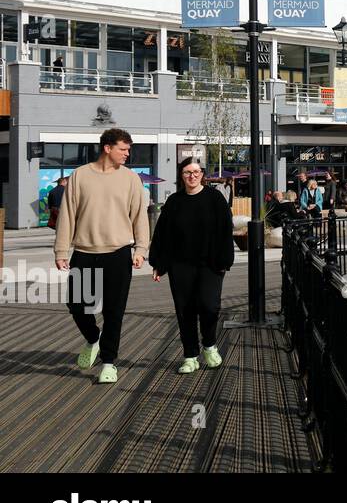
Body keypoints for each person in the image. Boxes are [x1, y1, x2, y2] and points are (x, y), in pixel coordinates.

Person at [54, 128, 150, 385]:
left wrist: (141, 249)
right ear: (107, 148)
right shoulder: (80, 176)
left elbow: (140, 216)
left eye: (129, 150)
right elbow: (68, 214)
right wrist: (61, 250)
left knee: (113, 312)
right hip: (84, 253)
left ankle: (108, 362)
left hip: (119, 254)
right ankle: (93, 339)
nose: (127, 154)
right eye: (123, 149)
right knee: (77, 306)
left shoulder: (131, 179)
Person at [149, 158, 234, 374]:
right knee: (185, 310)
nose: (192, 176)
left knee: (209, 306)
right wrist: (158, 263)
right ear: (181, 175)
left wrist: (224, 260)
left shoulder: (215, 198)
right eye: (187, 172)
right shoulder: (174, 202)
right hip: (181, 265)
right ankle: (190, 355)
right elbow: (162, 234)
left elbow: (226, 230)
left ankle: (209, 344)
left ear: (202, 174)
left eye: (196, 172)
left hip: (210, 264)